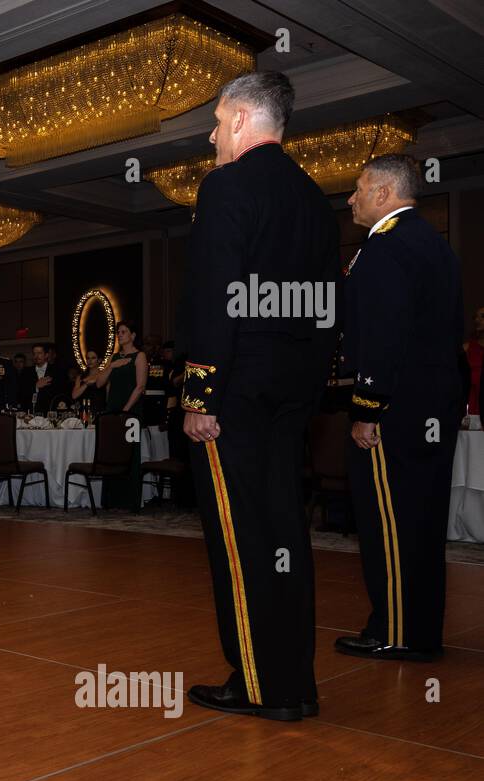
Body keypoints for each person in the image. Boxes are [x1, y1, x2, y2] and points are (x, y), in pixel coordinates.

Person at [179, 71, 339, 721]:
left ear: (243, 119)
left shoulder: (227, 187)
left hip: (235, 395)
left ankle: (257, 683)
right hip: (292, 397)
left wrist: (199, 394)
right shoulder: (314, 200)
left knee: (241, 541)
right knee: (282, 535)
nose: (212, 134)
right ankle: (294, 681)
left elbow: (215, 299)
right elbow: (327, 307)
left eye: (218, 121)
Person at [337, 153, 463, 662]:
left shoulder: (385, 248)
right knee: (423, 521)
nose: (351, 198)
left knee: (389, 522)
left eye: (360, 189)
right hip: (433, 407)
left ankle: (396, 631)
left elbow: (382, 336)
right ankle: (421, 629)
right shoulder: (435, 244)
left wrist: (367, 407)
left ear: (386, 194)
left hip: (398, 410)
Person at [102, 321, 148, 510]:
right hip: (112, 412)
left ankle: (130, 501)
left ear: (133, 335)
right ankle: (112, 500)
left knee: (130, 455)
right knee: (111, 454)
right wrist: (112, 366)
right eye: (117, 332)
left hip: (131, 414)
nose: (119, 335)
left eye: (123, 332)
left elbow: (140, 386)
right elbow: (100, 383)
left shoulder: (140, 356)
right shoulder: (114, 357)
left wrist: (126, 409)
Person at [465, 306, 483, 415]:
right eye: (476, 317)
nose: (477, 320)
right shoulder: (467, 349)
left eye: (483, 316)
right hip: (472, 410)